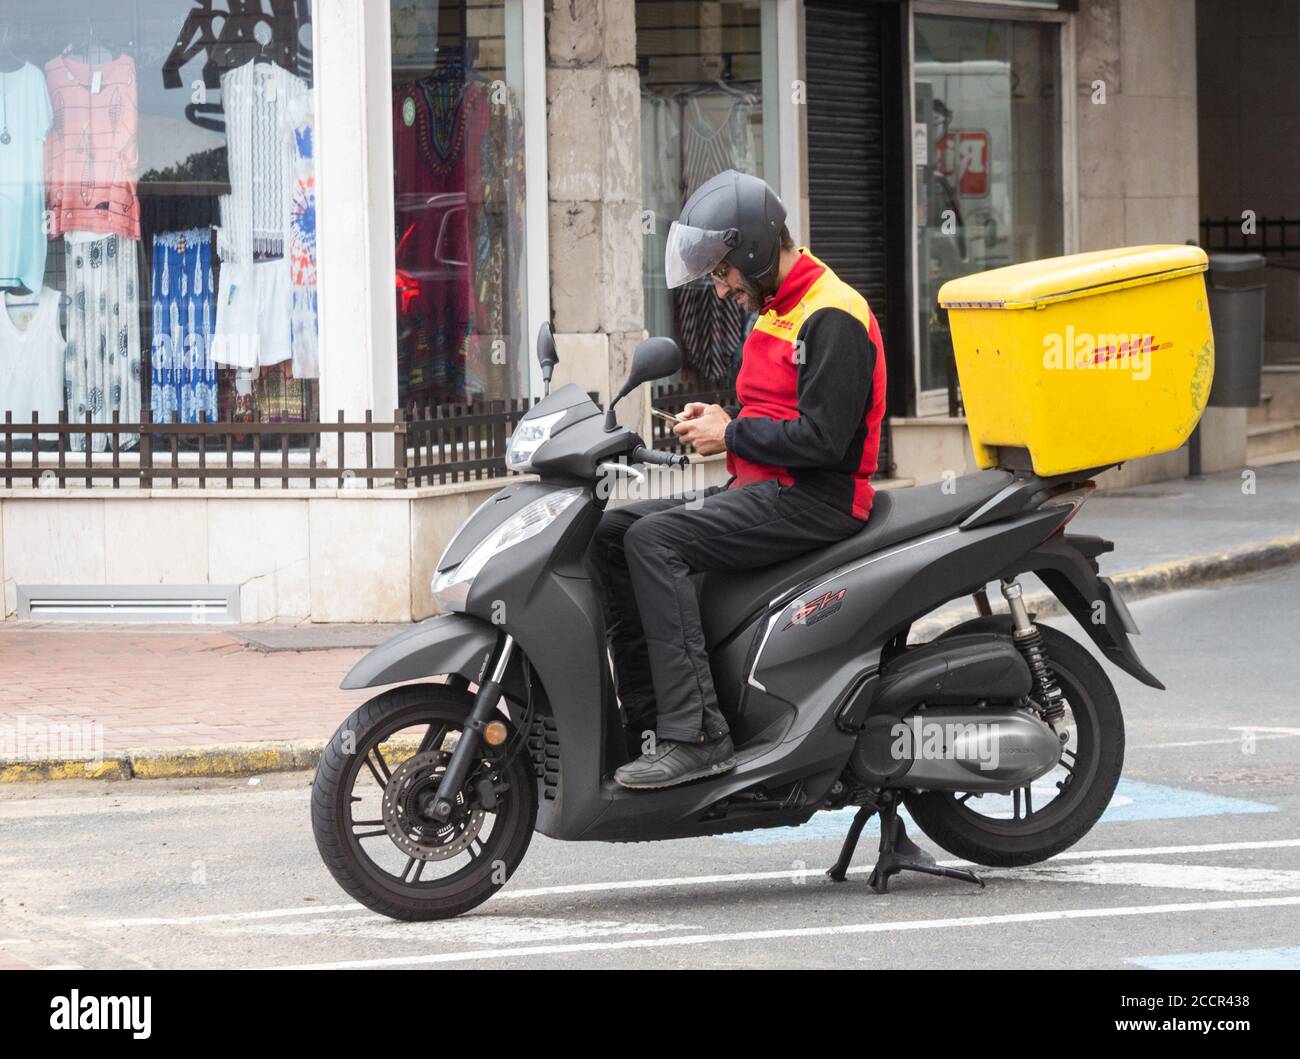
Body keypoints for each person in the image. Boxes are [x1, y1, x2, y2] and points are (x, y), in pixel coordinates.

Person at [589, 169, 887, 789]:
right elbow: (772, 407)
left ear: (751, 250)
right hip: (763, 486)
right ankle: (650, 724)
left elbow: (823, 441)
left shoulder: (832, 315)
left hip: (815, 498)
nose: (721, 290)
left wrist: (730, 433)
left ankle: (697, 736)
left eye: (722, 273)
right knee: (615, 531)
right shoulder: (778, 307)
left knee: (655, 542)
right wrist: (721, 417)